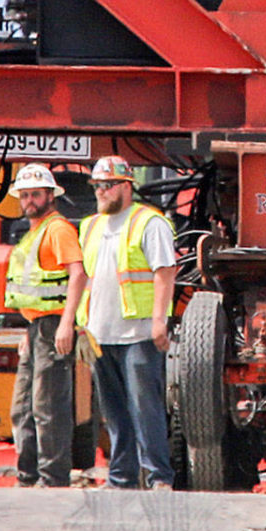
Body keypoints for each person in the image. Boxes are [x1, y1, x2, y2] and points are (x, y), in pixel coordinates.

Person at [71, 156, 178, 490]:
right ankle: (121, 477)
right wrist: (77, 325)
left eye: (107, 185)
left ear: (126, 186)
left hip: (138, 334)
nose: (101, 192)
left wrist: (159, 321)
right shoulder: (90, 226)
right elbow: (83, 278)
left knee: (145, 408)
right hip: (101, 336)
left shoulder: (149, 222)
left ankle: (158, 477)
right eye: (97, 186)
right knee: (114, 414)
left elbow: (165, 272)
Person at [4, 161, 85, 487]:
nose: (29, 201)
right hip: (37, 328)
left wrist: (67, 324)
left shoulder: (58, 229)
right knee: (23, 409)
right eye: (24, 195)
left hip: (53, 327)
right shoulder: (35, 232)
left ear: (50, 195)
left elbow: (78, 273)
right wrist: (28, 329)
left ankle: (52, 479)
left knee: (47, 407)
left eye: (35, 194)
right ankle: (28, 477)